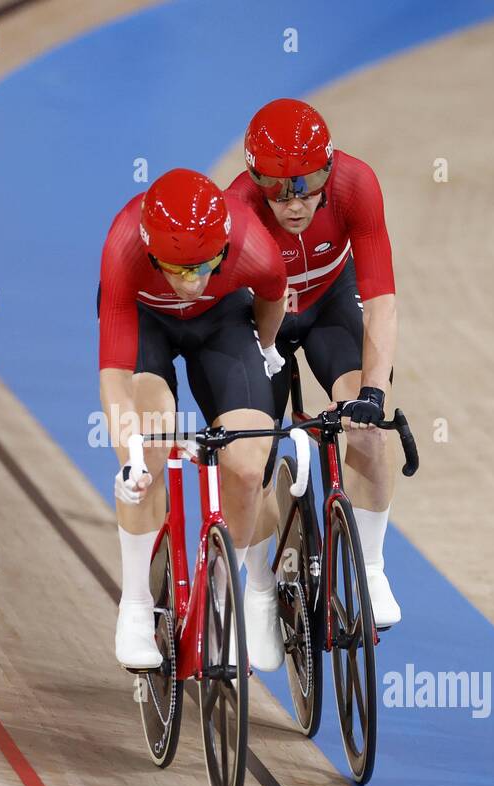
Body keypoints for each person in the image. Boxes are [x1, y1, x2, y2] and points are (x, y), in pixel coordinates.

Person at [98, 168, 289, 671]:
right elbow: (115, 374)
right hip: (147, 323)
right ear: (151, 251)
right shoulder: (123, 244)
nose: (193, 281)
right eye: (178, 269)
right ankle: (136, 606)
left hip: (222, 322)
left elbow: (273, 295)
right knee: (151, 448)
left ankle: (223, 597)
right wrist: (130, 453)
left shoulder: (252, 243)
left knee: (249, 465)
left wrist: (265, 350)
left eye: (205, 265)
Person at [225, 98, 403, 627]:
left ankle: (370, 567)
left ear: (330, 168)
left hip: (329, 304)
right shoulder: (237, 210)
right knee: (248, 459)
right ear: (256, 181)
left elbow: (381, 302)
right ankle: (258, 589)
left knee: (368, 427)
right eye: (277, 189)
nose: (294, 201)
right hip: (260, 316)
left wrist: (372, 394)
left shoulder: (356, 185)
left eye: (307, 182)